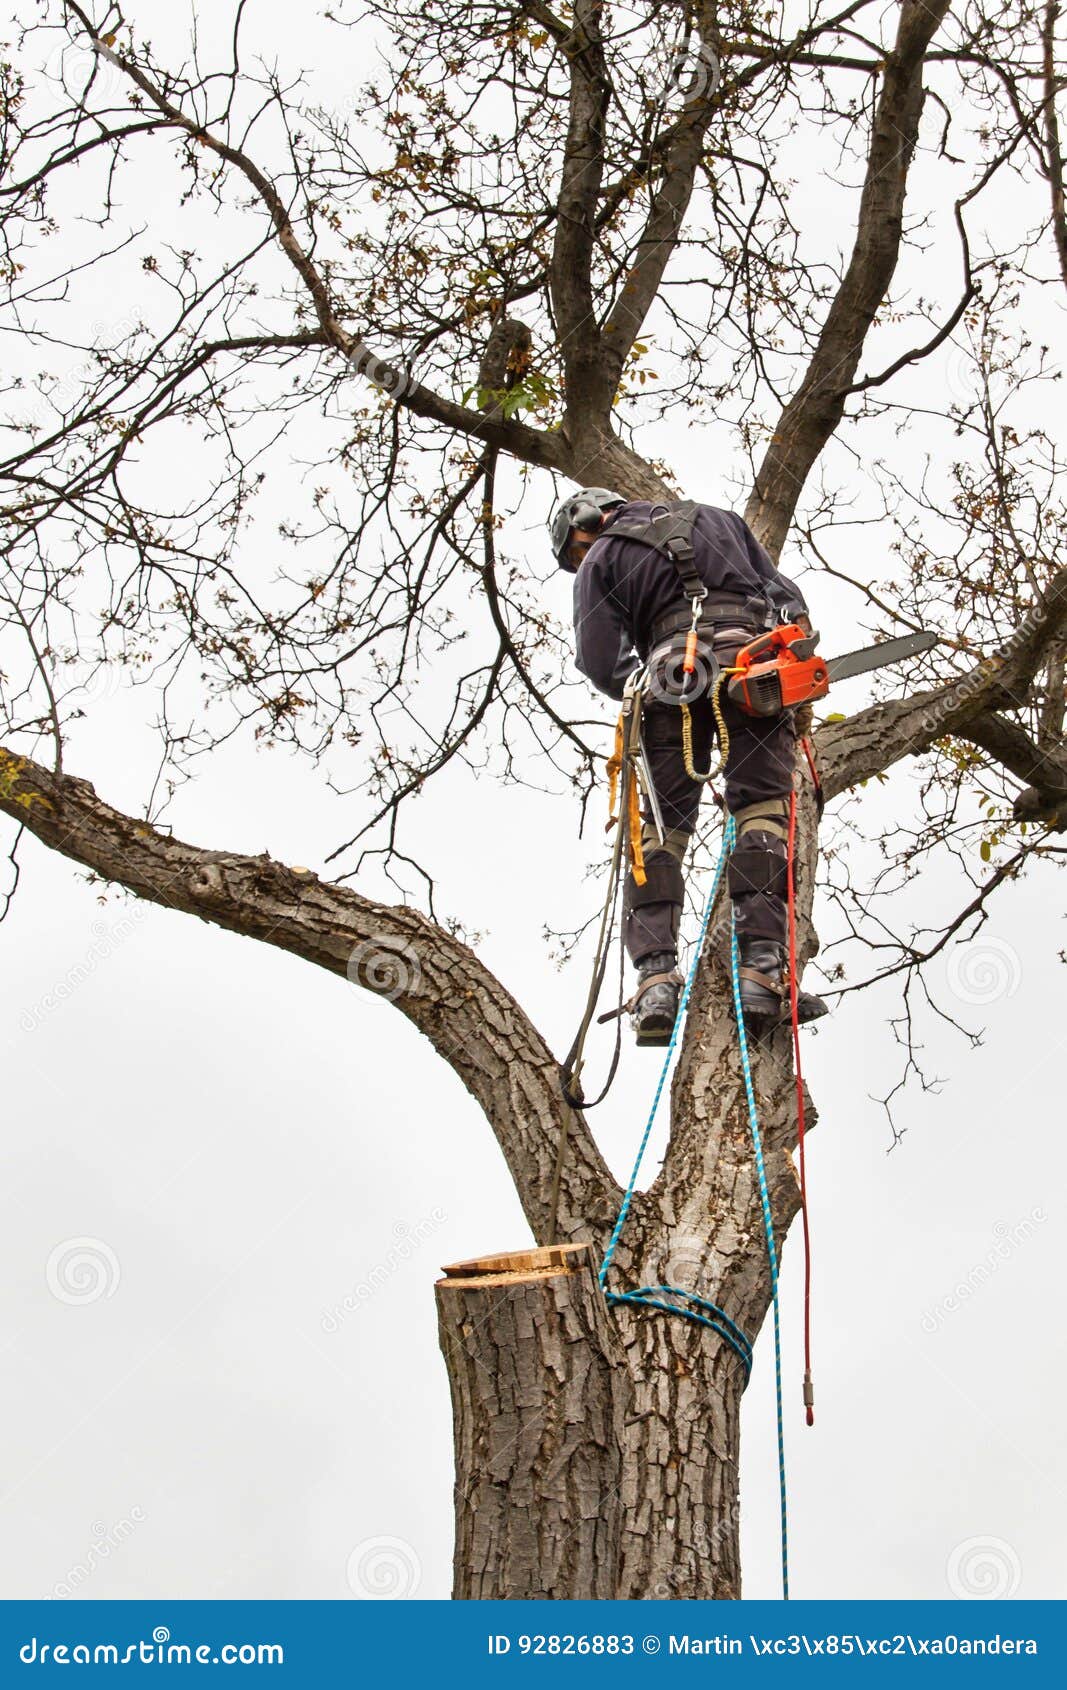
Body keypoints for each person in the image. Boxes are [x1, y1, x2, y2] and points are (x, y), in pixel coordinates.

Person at [551, 486, 828, 1045]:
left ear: (584, 521)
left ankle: (655, 978)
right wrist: (791, 671)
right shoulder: (721, 520)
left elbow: (598, 657)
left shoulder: (603, 557)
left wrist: (639, 675)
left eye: (575, 553)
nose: (581, 561)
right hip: (752, 671)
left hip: (668, 682)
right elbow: (789, 602)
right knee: (764, 813)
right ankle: (764, 969)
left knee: (659, 831)